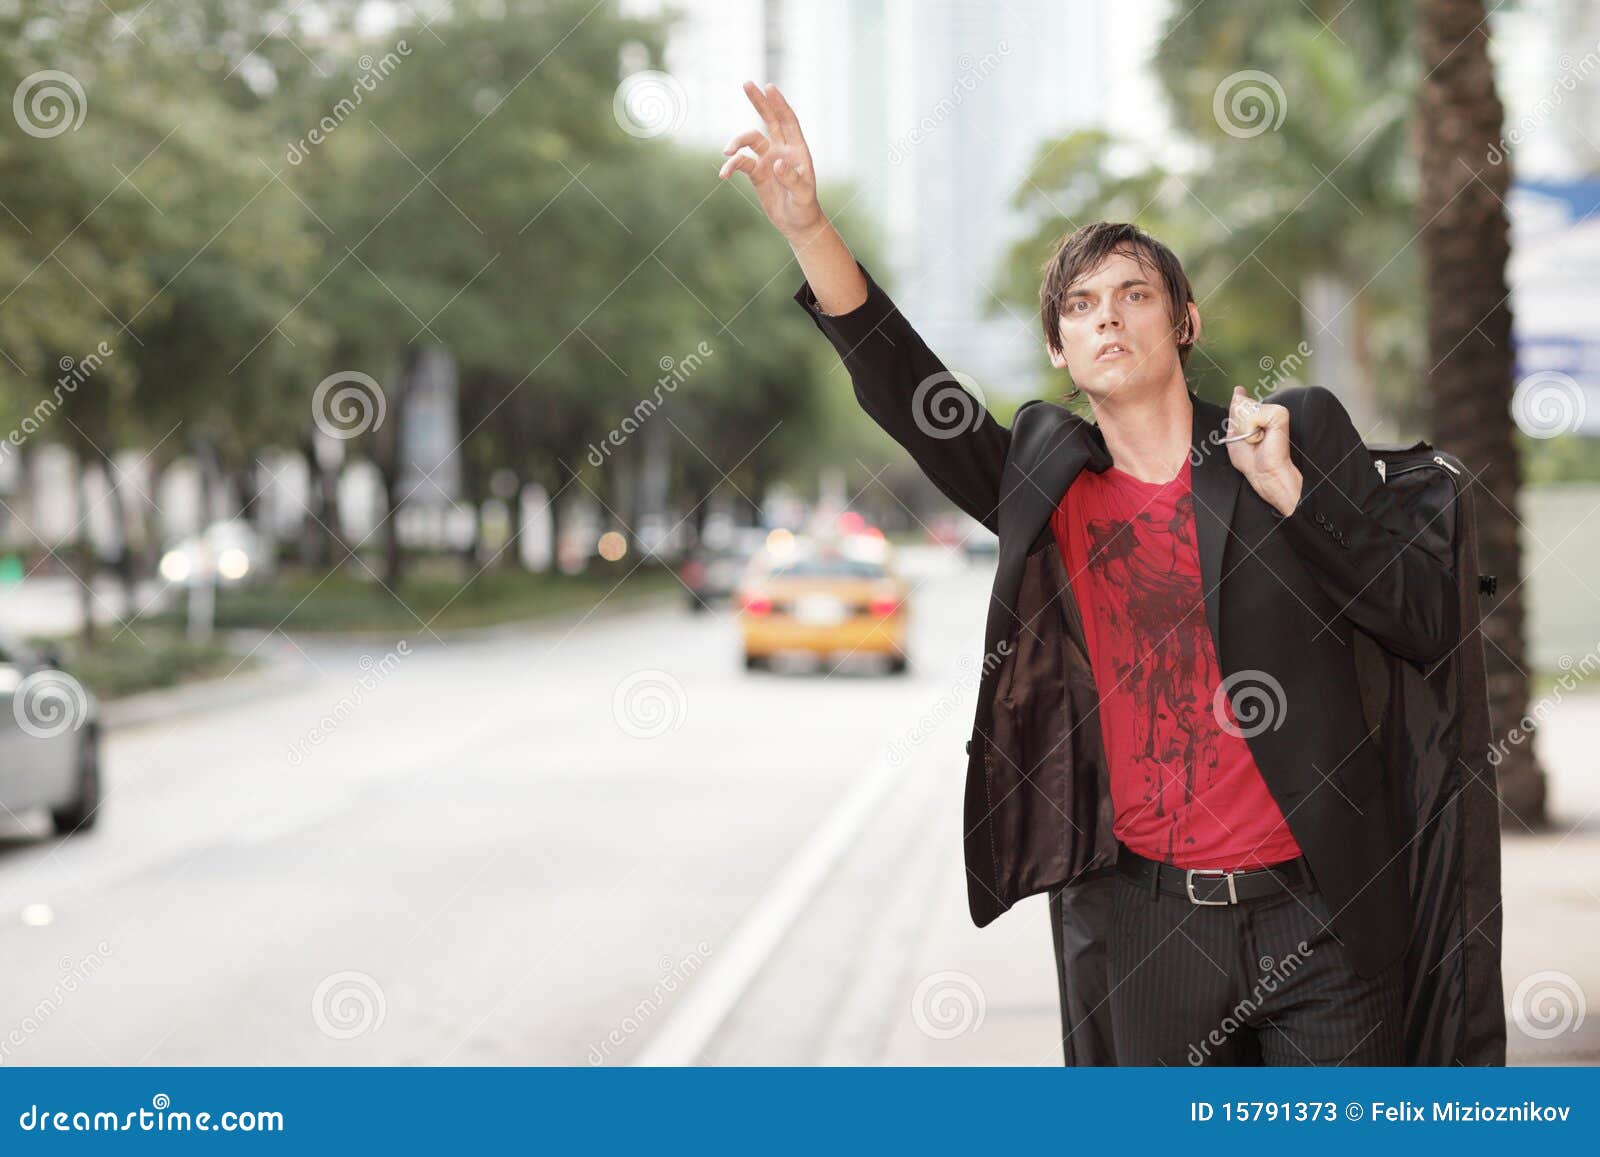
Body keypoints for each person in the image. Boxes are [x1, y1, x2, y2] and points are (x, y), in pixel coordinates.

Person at [719, 81, 1463, 1065]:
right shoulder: (1052, 485)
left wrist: (1297, 497)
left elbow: (1422, 617)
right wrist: (810, 229)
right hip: (1150, 924)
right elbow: (908, 391)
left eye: (1133, 295)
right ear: (1056, 345)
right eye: (1080, 306)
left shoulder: (1286, 438)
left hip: (1318, 911)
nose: (1107, 319)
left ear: (1183, 319)